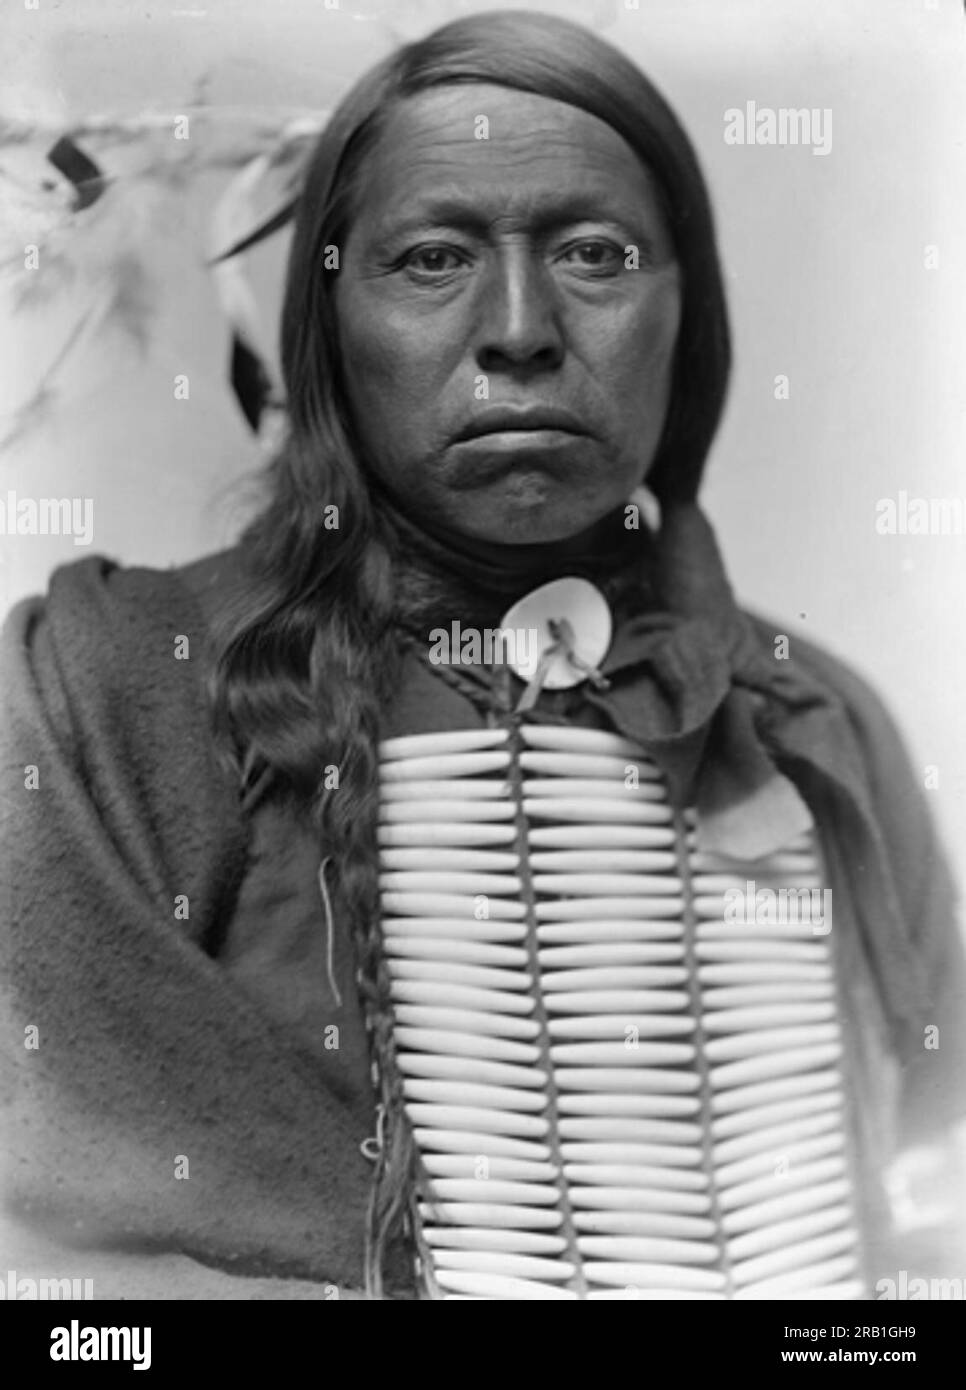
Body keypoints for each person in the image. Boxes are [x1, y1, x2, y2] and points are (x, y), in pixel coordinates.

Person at [2, 10, 964, 1302]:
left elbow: (927, 1199)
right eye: (432, 256)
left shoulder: (816, 725)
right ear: (329, 329)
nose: (519, 326)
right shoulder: (108, 693)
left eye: (594, 252)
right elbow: (53, 1262)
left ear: (692, 316)